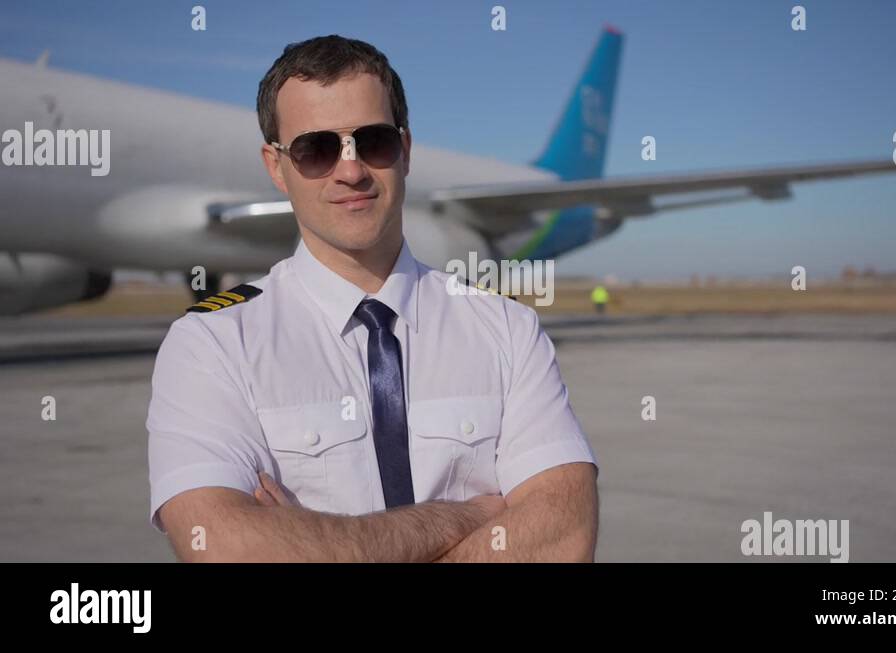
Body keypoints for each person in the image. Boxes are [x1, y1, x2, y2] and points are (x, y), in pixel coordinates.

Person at [146, 35, 599, 562]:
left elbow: (564, 539)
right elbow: (228, 551)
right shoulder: (211, 343)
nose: (351, 169)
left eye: (374, 141)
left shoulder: (507, 329)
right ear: (276, 166)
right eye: (316, 149)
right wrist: (464, 516)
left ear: (405, 150)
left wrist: (311, 542)